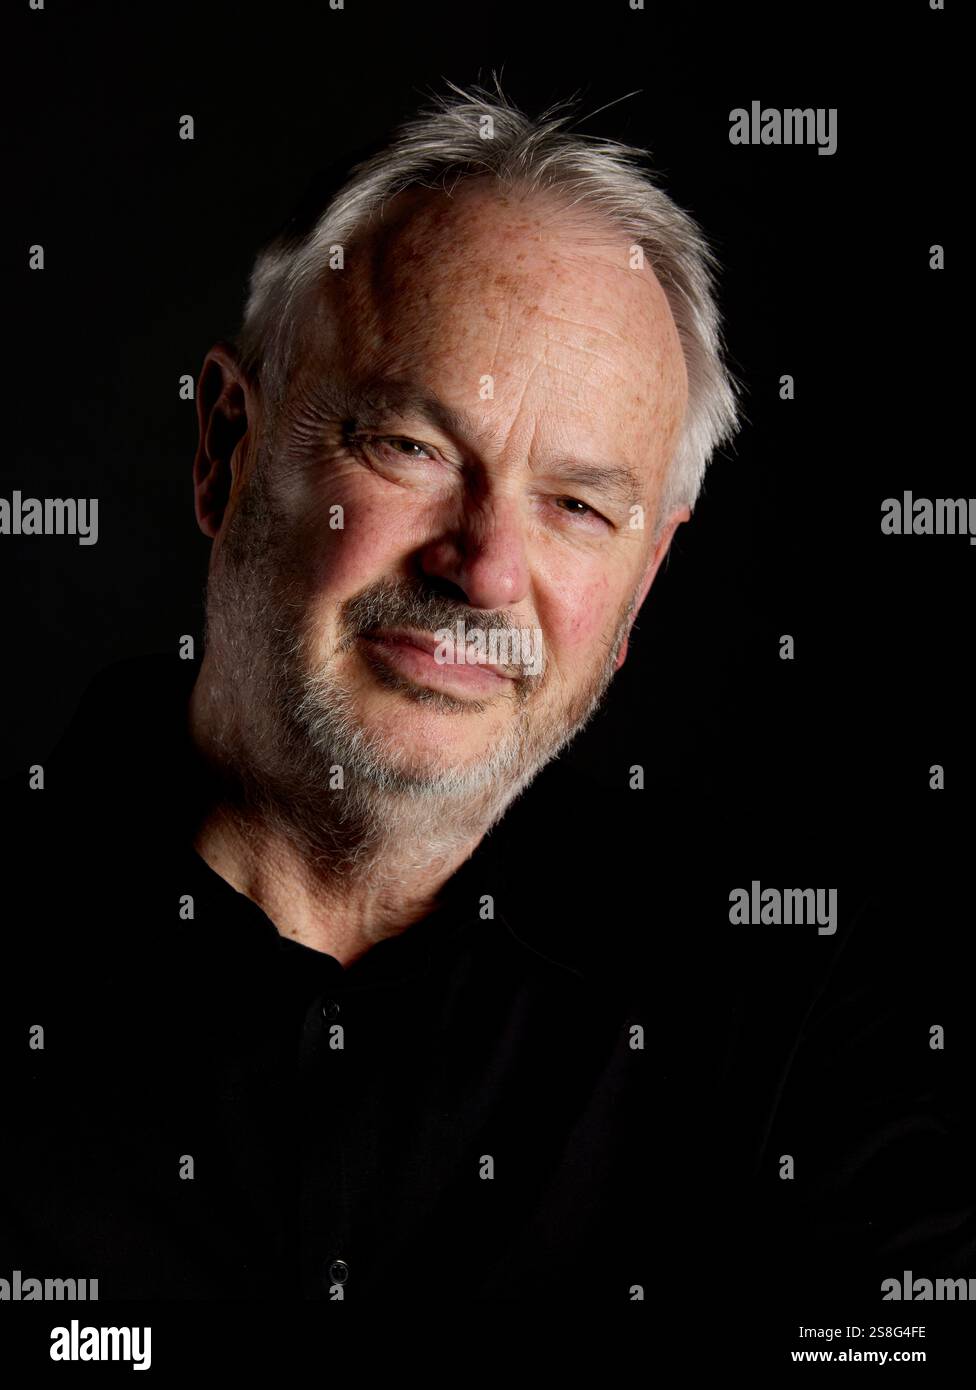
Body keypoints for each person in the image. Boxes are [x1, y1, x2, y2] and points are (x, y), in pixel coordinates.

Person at [2, 77, 748, 1302]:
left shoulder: (774, 1042)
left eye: (576, 504)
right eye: (409, 448)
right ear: (224, 448)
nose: (486, 569)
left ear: (642, 583)